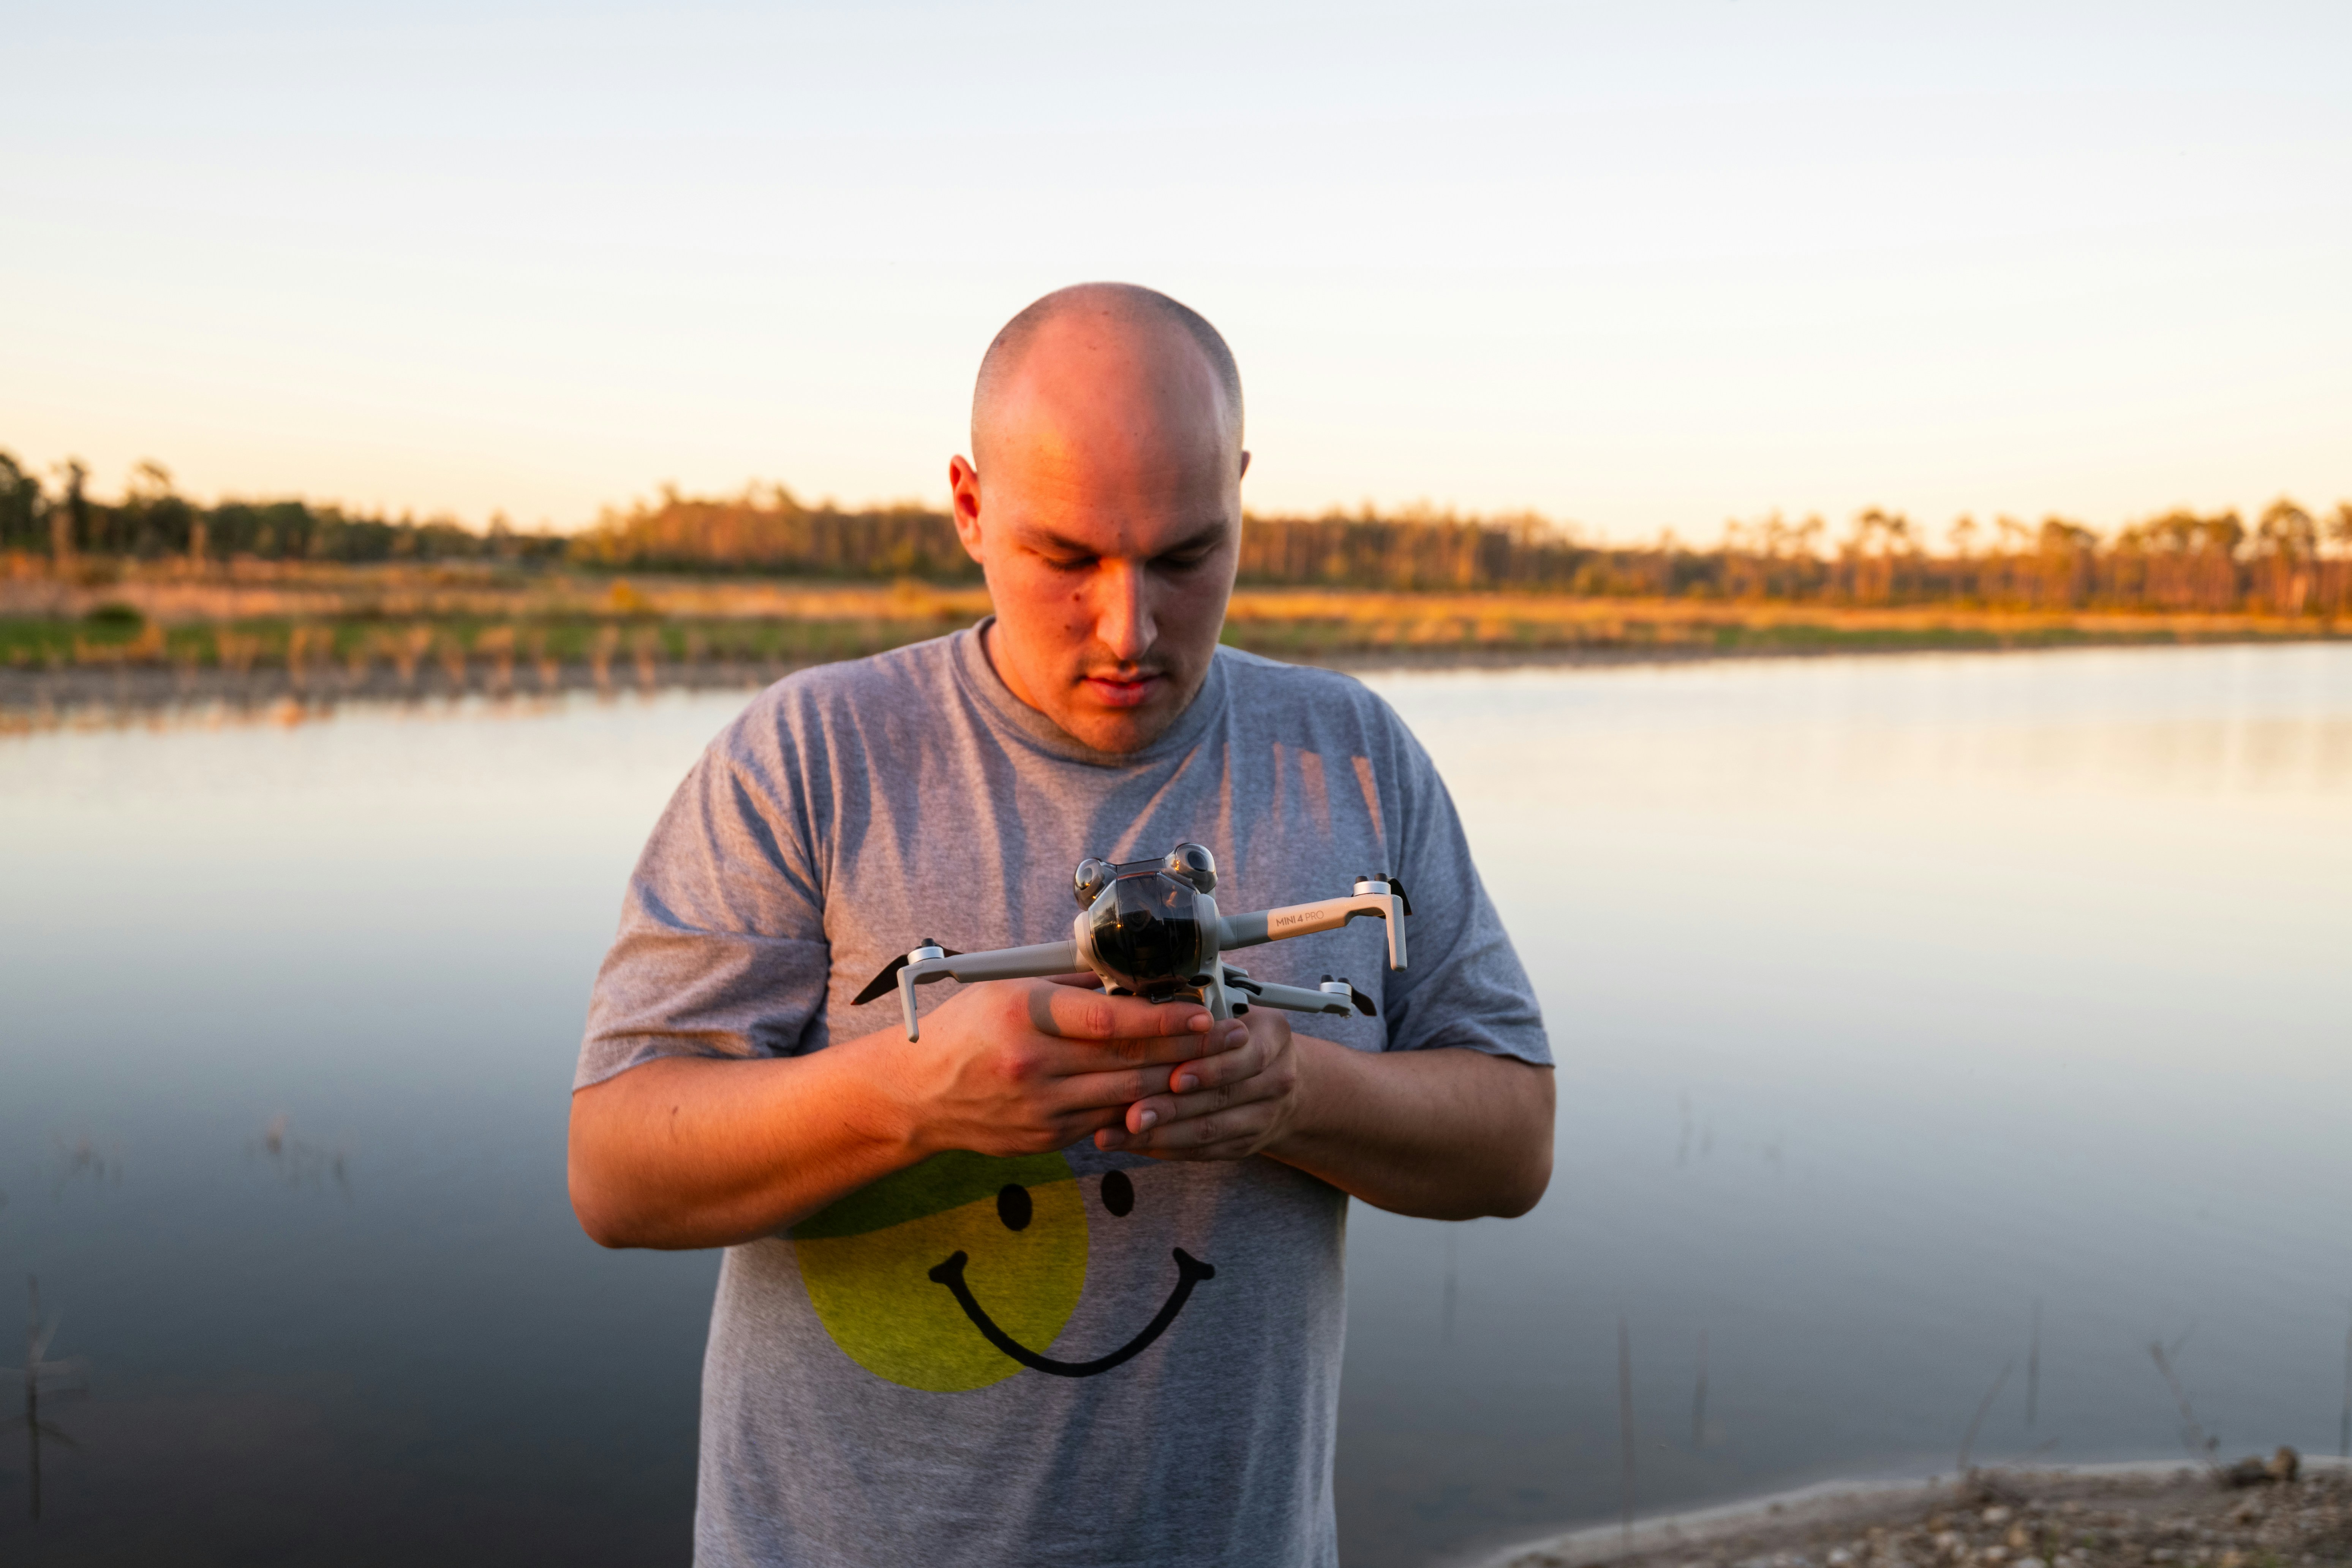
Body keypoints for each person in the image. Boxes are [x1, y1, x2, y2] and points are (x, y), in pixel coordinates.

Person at [567, 282, 1554, 1566]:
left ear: (1242, 490)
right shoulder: (805, 756)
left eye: (1189, 556)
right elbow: (616, 1170)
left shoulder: (1354, 756)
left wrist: (1292, 1095)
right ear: (972, 508)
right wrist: (908, 1097)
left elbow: (1514, 1141)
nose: (1130, 628)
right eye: (1069, 559)